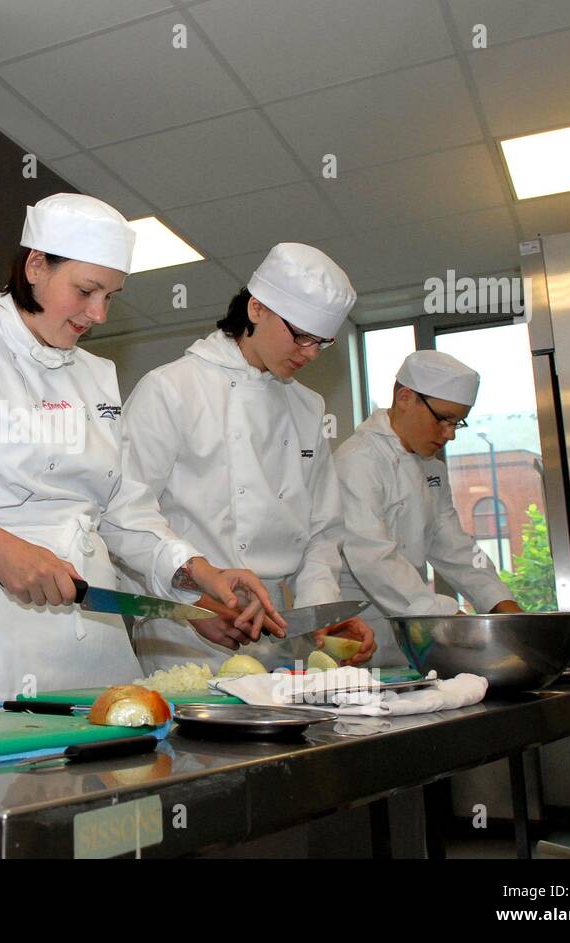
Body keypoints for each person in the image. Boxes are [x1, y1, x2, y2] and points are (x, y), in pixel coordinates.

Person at [0, 193, 283, 705]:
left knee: (113, 777)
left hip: (96, 645)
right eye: (87, 290)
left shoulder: (96, 374)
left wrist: (198, 569)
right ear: (36, 265)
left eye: (110, 296)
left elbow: (119, 507)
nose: (99, 314)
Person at [120, 243, 376, 673]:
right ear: (256, 309)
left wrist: (322, 616)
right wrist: (195, 604)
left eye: (322, 343)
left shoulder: (308, 406)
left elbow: (321, 532)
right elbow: (127, 514)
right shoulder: (172, 388)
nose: (310, 353)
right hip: (185, 628)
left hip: (276, 627)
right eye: (301, 336)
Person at [335, 350, 522, 659]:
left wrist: (503, 607)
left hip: (414, 631)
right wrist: (447, 619)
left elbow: (455, 547)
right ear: (406, 397)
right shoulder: (358, 460)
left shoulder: (431, 468)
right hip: (359, 636)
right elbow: (373, 558)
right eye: (443, 419)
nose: (449, 434)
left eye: (457, 423)